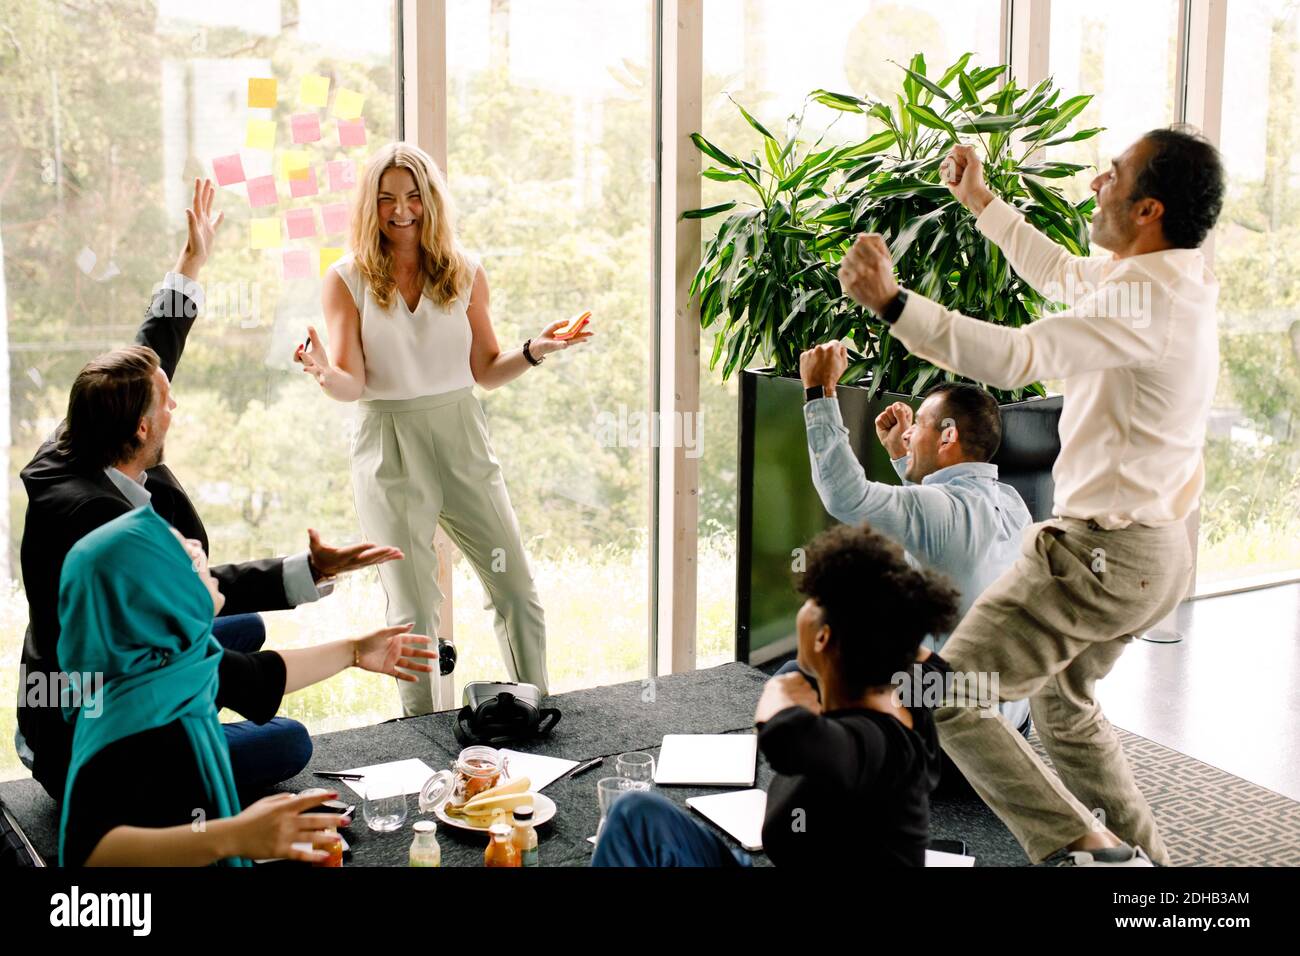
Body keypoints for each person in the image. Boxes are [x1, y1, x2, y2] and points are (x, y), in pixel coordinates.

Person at [837, 126, 1225, 866]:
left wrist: (892, 304)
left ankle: (1081, 849)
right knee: (1064, 709)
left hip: (1099, 555)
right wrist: (980, 200)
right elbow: (1058, 272)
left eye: (1112, 175)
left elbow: (1019, 357)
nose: (1094, 183)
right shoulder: (1170, 279)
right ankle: (1156, 882)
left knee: (948, 695)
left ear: (1149, 209)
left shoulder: (1144, 300)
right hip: (1156, 555)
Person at [17, 180, 402, 803]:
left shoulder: (86, 435)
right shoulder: (98, 529)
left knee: (243, 623)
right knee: (289, 742)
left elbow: (152, 350)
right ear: (141, 426)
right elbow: (222, 672)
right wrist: (355, 651)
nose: (178, 402)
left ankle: (178, 719)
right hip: (81, 736)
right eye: (168, 401)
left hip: (104, 672)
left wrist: (191, 262)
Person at [294, 142, 592, 716]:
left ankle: (538, 714)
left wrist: (536, 349)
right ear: (370, 206)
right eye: (386, 199)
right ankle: (422, 737)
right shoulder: (346, 279)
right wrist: (321, 372)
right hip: (388, 441)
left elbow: (484, 370)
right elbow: (350, 384)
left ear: (430, 201)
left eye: (412, 197)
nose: (400, 210)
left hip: (460, 432)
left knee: (516, 591)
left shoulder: (465, 271)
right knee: (412, 612)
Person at [56, 505, 437, 866]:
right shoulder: (130, 718)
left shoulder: (171, 665)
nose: (195, 545)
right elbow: (89, 851)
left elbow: (260, 677)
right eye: (181, 550)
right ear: (158, 600)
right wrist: (234, 835)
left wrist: (355, 652)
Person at [593, 522, 959, 867]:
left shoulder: (876, 742)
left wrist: (779, 691)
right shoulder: (909, 696)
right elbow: (937, 665)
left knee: (629, 820)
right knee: (636, 813)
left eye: (813, 600)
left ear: (824, 638)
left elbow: (788, 737)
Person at [792, 354, 1033, 734]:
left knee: (802, 669)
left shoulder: (942, 511)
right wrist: (906, 459)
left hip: (953, 739)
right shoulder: (1011, 503)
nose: (909, 433)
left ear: (948, 436)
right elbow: (938, 529)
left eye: (920, 425)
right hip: (1013, 722)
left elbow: (845, 495)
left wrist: (819, 391)